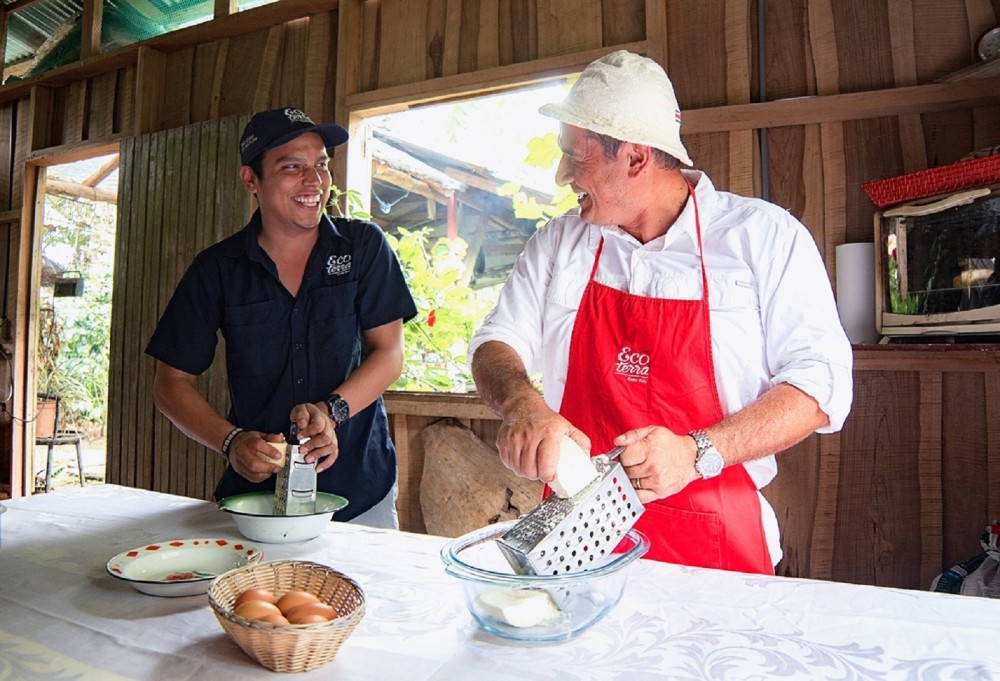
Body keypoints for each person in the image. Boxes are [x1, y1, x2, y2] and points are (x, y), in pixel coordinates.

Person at [469, 51, 853, 573]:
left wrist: (698, 452)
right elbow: (496, 343)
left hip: (716, 548)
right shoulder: (560, 244)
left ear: (634, 158)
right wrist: (521, 403)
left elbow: (819, 386)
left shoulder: (763, 237)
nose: (562, 176)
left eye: (575, 158)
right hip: (575, 543)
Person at [146, 107, 417, 528]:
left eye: (321, 165)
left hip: (360, 489)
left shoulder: (363, 246)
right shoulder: (217, 269)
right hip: (256, 500)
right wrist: (231, 442)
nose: (315, 181)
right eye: (292, 167)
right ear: (251, 180)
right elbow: (170, 384)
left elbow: (390, 353)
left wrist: (331, 412)